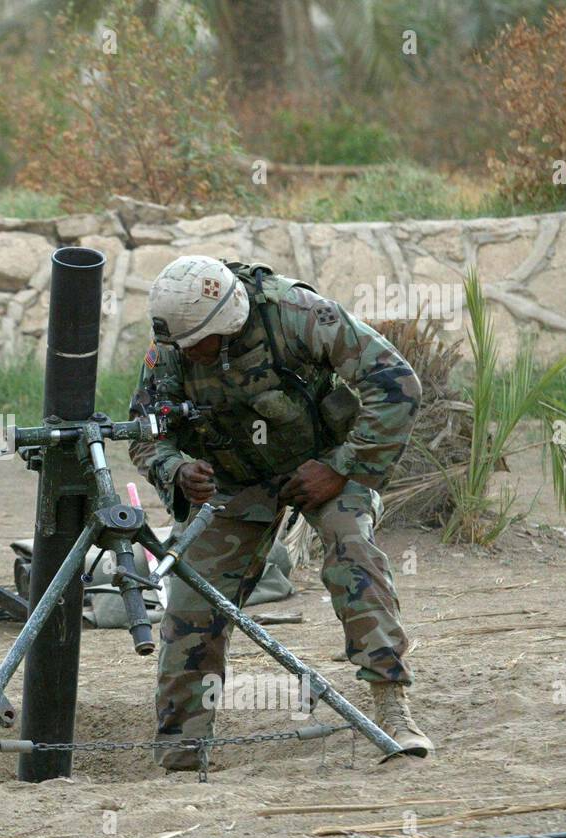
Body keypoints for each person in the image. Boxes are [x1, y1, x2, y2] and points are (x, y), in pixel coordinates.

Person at [128, 255, 432, 771]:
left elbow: (397, 384)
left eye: (197, 344)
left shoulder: (299, 314)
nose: (187, 353)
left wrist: (342, 466)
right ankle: (181, 751)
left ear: (225, 323)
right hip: (232, 483)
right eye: (180, 345)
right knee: (190, 600)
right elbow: (144, 432)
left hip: (324, 464)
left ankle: (392, 707)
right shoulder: (172, 350)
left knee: (352, 549)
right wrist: (176, 469)